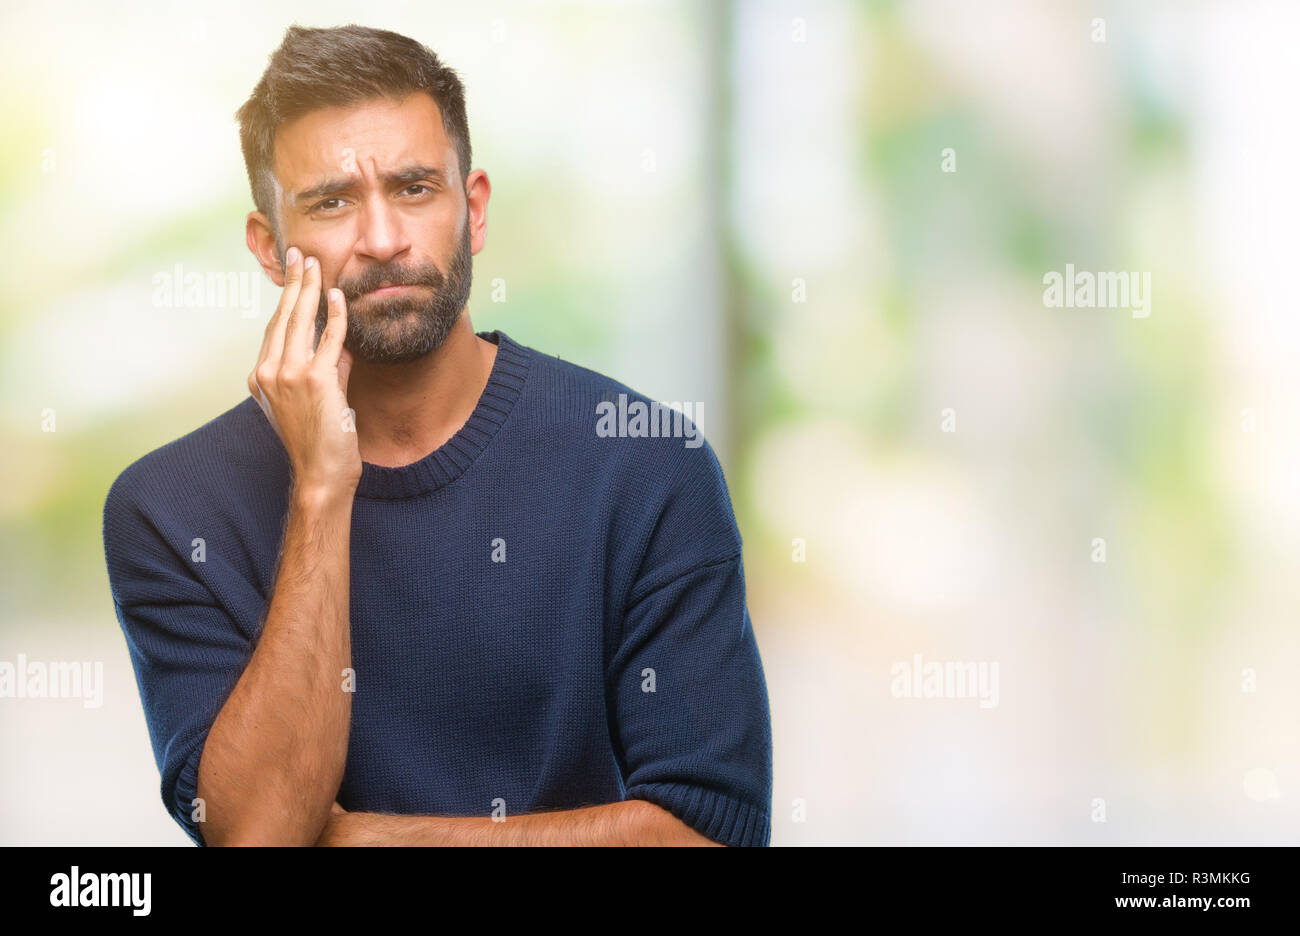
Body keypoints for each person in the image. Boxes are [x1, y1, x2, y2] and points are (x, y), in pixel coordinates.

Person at [102, 23, 772, 846]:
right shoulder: (169, 508)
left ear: (474, 207)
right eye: (332, 202)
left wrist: (367, 838)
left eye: (416, 188)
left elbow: (711, 833)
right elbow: (261, 837)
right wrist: (321, 488)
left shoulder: (646, 465)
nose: (383, 240)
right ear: (271, 249)